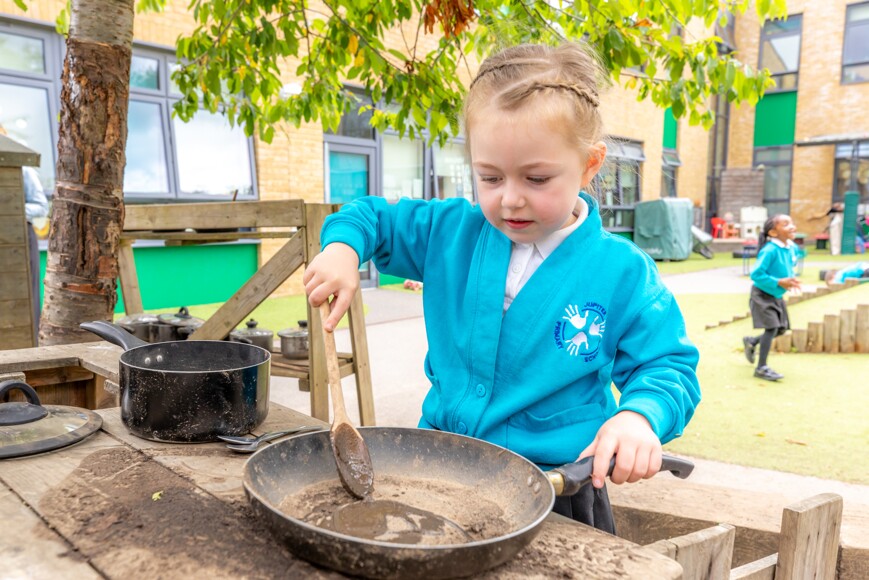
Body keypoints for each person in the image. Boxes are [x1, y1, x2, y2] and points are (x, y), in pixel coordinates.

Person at [303, 43, 701, 533]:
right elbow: (371, 217)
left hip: (556, 494)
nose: (510, 198)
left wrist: (639, 418)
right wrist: (342, 249)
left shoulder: (623, 272)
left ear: (590, 165)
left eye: (536, 178)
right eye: (489, 177)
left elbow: (668, 366)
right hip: (437, 474)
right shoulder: (451, 232)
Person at [0, 124, 49, 337]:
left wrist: (11, 211)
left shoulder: (22, 168)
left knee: (27, 296)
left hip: (21, 240)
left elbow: (41, 205)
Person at [743, 215, 800, 381]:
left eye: (792, 223)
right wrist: (779, 281)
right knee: (771, 328)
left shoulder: (792, 247)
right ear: (774, 232)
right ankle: (761, 368)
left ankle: (752, 341)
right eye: (786, 224)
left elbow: (789, 266)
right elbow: (756, 274)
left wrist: (791, 280)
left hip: (776, 294)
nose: (792, 226)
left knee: (781, 328)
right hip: (762, 295)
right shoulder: (770, 250)